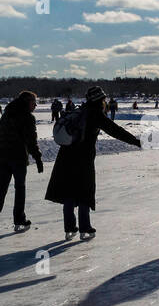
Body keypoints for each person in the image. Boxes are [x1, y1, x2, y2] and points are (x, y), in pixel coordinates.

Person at [45, 86, 141, 239]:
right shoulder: (96, 114)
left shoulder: (79, 110)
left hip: (65, 157)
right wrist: (135, 141)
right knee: (85, 192)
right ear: (100, 100)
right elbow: (115, 130)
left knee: (69, 192)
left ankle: (69, 228)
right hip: (83, 159)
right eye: (103, 99)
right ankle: (85, 228)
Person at [0, 91, 43, 236]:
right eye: (33, 102)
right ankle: (19, 219)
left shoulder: (8, 112)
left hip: (2, 156)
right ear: (26, 102)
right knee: (20, 187)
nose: (35, 105)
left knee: (2, 186)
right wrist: (37, 157)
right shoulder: (27, 117)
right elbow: (31, 140)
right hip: (17, 157)